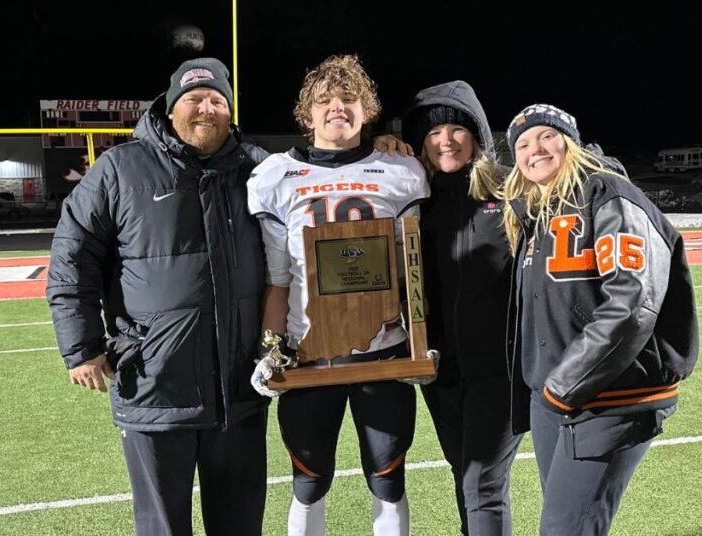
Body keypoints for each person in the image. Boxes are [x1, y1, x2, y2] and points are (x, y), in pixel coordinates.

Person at [46, 57, 272, 536]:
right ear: (170, 110)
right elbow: (72, 256)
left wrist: (387, 148)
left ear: (229, 111)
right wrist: (81, 346)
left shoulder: (258, 169)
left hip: (239, 386)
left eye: (217, 99)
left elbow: (321, 184)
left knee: (241, 524)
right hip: (155, 382)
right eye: (193, 99)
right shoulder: (119, 168)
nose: (205, 108)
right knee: (162, 527)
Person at [247, 54, 430, 536]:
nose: (337, 109)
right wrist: (269, 351)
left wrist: (418, 341)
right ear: (306, 114)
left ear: (366, 110)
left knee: (388, 479)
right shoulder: (275, 176)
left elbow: (412, 268)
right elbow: (278, 280)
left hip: (383, 351)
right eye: (324, 101)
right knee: (309, 482)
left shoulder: (399, 169)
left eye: (349, 100)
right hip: (309, 353)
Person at [500, 104, 699, 536]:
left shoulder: (608, 193)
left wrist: (562, 386)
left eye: (546, 136)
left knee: (564, 530)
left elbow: (633, 302)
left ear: (569, 142)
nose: (535, 149)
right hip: (554, 398)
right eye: (522, 144)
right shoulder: (536, 212)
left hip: (607, 398)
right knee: (569, 525)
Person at [400, 81, 522, 536]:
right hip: (442, 372)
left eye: (456, 129)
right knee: (464, 476)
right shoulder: (415, 199)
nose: (445, 140)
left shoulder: (511, 193)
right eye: (434, 132)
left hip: (502, 372)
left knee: (483, 484)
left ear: (476, 135)